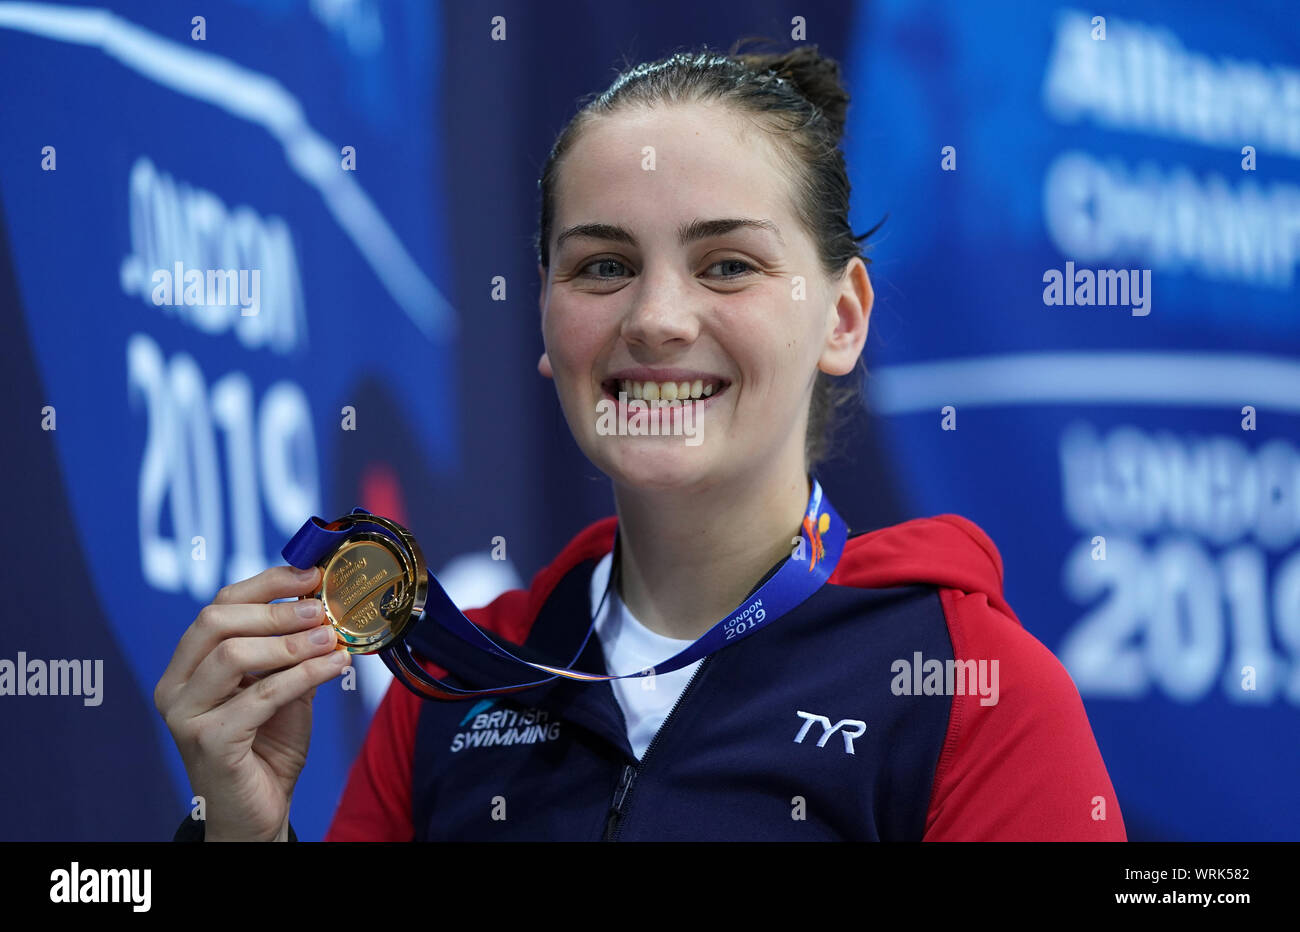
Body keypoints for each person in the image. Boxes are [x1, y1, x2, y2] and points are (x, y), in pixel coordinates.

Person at [158, 41, 1126, 841]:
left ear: (841, 316)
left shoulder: (974, 693)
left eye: (728, 263)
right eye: (604, 264)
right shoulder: (452, 683)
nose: (657, 317)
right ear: (545, 322)